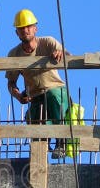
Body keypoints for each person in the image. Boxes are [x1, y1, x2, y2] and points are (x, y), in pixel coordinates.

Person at [5, 8, 70, 159]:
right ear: (17, 32)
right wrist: (18, 95)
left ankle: (61, 143)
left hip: (56, 91)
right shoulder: (14, 54)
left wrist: (60, 53)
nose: (25, 30)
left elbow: (68, 55)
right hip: (35, 96)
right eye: (21, 28)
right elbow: (11, 83)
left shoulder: (47, 42)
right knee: (34, 119)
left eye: (28, 27)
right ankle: (41, 148)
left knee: (54, 98)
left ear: (35, 28)